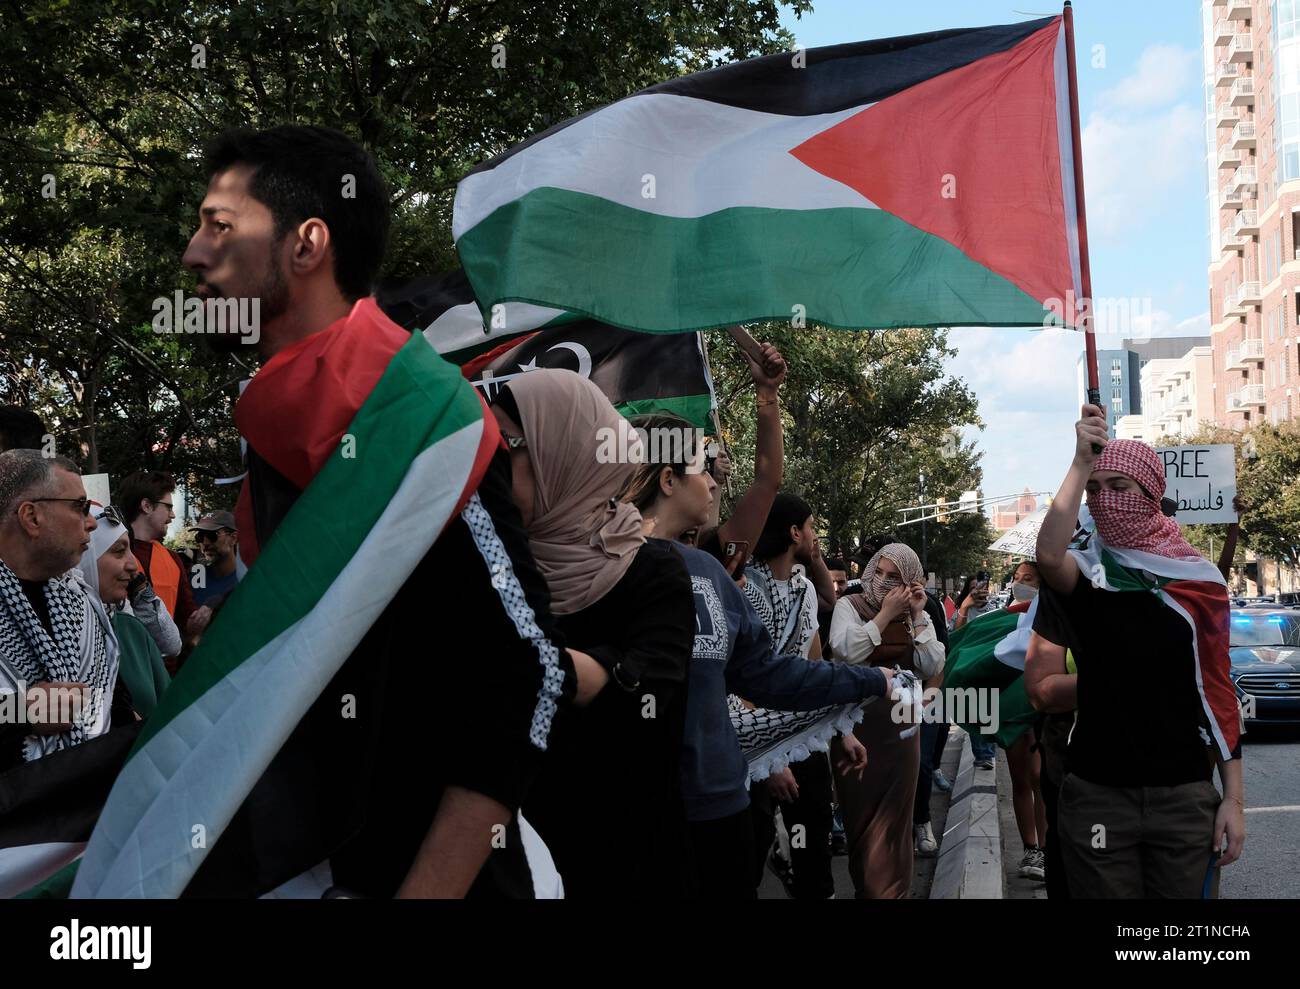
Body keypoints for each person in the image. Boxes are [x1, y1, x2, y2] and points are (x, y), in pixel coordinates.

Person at [120, 123, 582, 899]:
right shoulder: (276, 420)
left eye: (219, 226)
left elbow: (526, 668)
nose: (193, 254)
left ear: (306, 244)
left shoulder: (419, 419)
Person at [618, 415, 886, 898]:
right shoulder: (601, 570)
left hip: (721, 806)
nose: (714, 480)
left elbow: (765, 673)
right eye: (704, 469)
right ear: (667, 479)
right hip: (638, 817)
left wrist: (866, 683)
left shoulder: (709, 571)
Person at [491, 369, 697, 899]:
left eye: (506, 446)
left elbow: (648, 694)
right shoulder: (498, 567)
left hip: (627, 856)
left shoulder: (655, 571)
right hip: (521, 859)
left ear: (562, 455)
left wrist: (526, 657)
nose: (487, 466)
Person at [1031, 412, 1245, 898]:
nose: (1105, 499)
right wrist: (1079, 463)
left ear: (1152, 493)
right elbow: (1048, 555)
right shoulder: (1089, 574)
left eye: (1120, 485)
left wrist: (1233, 798)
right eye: (1094, 489)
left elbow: (1217, 692)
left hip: (1184, 799)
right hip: (1097, 797)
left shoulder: (1201, 584)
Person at [740, 494, 842, 898]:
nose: (816, 536)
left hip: (806, 740)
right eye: (812, 525)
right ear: (794, 532)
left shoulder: (805, 590)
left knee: (815, 846)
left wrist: (842, 732)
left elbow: (815, 666)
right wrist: (771, 758)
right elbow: (742, 680)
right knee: (752, 845)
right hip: (756, 742)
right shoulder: (745, 588)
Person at [829, 542, 944, 897]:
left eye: (893, 577)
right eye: (878, 572)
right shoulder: (850, 604)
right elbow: (845, 652)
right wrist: (882, 616)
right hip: (856, 732)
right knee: (862, 823)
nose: (881, 582)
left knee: (896, 824)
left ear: (910, 581)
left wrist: (919, 616)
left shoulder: (916, 612)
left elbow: (932, 665)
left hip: (902, 733)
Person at [0, 452, 127, 770]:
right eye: (79, 507)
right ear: (31, 517)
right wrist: (21, 714)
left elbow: (112, 702)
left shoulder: (82, 604)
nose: (90, 523)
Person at [76, 506, 171, 720]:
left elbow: (170, 715)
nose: (133, 565)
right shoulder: (54, 634)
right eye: (119, 551)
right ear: (85, 560)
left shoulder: (132, 630)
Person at [117, 470, 199, 647]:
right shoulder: (110, 555)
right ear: (146, 506)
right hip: (125, 666)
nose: (173, 515)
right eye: (168, 507)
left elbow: (187, 618)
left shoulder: (173, 559)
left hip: (167, 669)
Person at [1003, 560, 1048, 882]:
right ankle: (1030, 848)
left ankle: (1045, 850)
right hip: (1013, 706)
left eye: (1028, 579)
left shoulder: (1052, 614)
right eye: (1017, 578)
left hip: (1043, 706)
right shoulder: (1005, 618)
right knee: (1021, 779)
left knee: (1039, 777)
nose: (1021, 583)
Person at [189, 510, 240, 609]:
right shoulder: (195, 579)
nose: (205, 542)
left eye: (212, 535)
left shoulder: (248, 579)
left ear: (233, 538)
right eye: (200, 537)